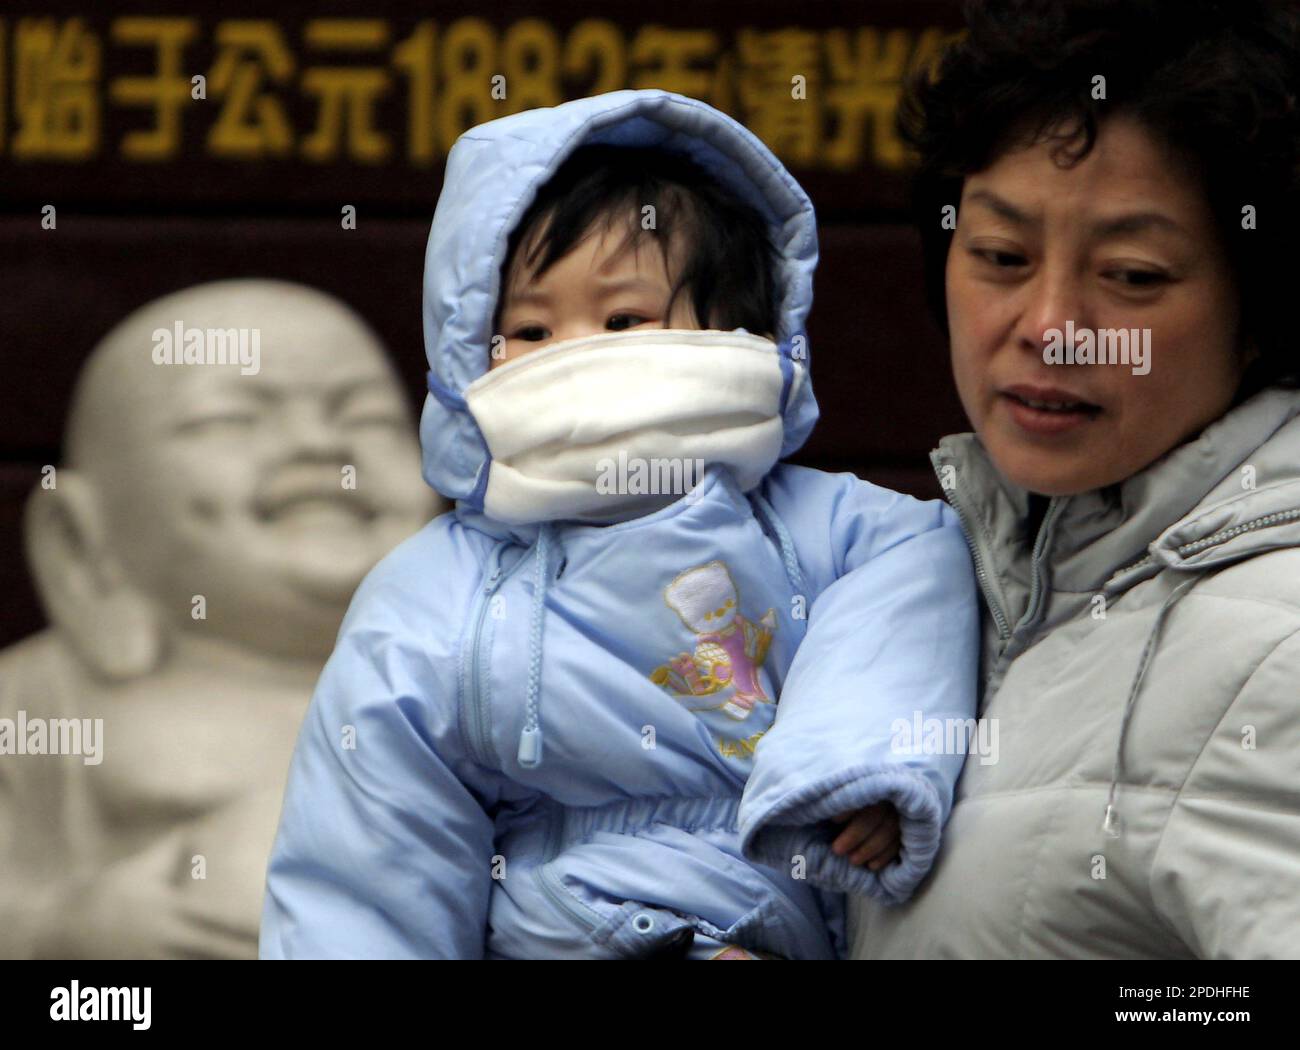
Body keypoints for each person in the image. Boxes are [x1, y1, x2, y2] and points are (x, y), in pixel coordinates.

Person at [259, 89, 980, 960]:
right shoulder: (431, 596)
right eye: (528, 328)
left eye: (624, 319)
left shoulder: (832, 530)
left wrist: (859, 767)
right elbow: (364, 874)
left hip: (813, 910)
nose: (574, 354)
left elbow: (916, 582)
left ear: (738, 330)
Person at [850, 0, 1300, 958]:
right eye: (1001, 257)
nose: (1053, 323)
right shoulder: (933, 581)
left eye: (1133, 276)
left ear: (1258, 305)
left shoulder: (1278, 650)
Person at [0, 280, 437, 958]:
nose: (319, 445)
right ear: (82, 538)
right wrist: (62, 930)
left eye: (367, 417)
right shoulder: (38, 698)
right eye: (232, 419)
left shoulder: (481, 685)